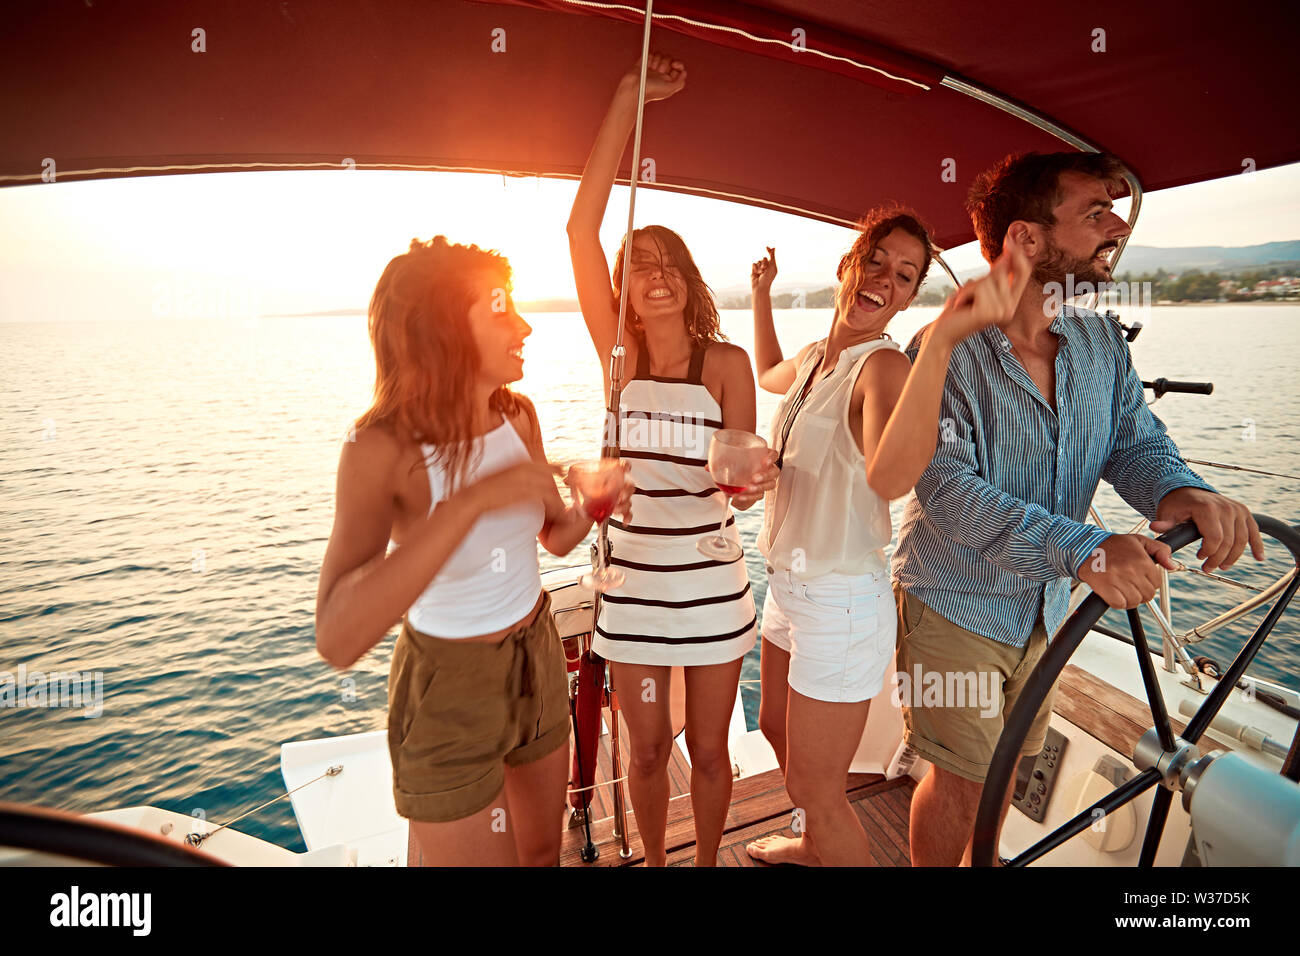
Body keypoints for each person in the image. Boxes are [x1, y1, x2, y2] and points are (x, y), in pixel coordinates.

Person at [891, 151, 1265, 867]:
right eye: (1095, 212)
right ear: (1027, 239)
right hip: (954, 604)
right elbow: (948, 493)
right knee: (965, 780)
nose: (1117, 224)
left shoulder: (1099, 341)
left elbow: (1134, 442)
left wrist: (1183, 493)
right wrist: (1086, 549)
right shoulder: (942, 353)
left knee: (1007, 770)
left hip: (1049, 606)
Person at [314, 236, 631, 866]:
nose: (524, 325)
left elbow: (557, 537)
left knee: (540, 855)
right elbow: (339, 637)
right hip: (447, 685)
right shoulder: (380, 448)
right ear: (439, 327)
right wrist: (469, 502)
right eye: (499, 308)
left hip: (536, 655)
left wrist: (596, 505)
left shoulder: (518, 417)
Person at [742, 209, 1030, 866]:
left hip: (841, 599)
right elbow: (766, 373)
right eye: (876, 261)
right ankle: (816, 844)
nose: (884, 280)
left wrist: (943, 344)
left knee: (813, 786)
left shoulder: (881, 370)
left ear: (908, 296)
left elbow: (891, 475)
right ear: (850, 264)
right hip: (788, 587)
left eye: (904, 275)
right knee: (773, 728)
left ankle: (828, 844)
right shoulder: (819, 357)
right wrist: (762, 293)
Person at [567, 53, 770, 866]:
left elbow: (745, 486)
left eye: (667, 266)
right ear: (622, 288)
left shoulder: (725, 363)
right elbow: (580, 227)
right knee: (647, 754)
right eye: (638, 269)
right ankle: (656, 864)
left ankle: (707, 862)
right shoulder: (615, 355)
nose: (655, 280)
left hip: (713, 586)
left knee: (715, 752)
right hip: (636, 590)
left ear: (687, 277)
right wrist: (623, 97)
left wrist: (749, 479)